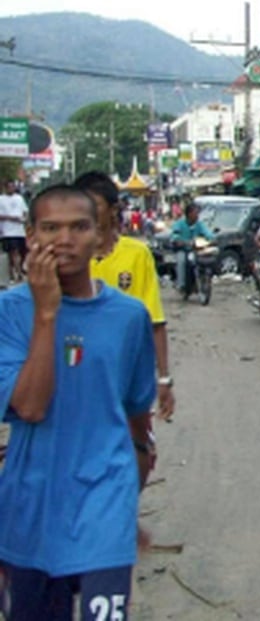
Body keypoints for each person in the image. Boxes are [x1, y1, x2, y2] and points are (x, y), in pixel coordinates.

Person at [0, 184, 157, 621]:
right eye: (50, 227)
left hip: (104, 506)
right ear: (29, 234)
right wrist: (47, 313)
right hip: (29, 509)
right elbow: (30, 407)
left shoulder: (129, 317)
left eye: (79, 227)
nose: (63, 239)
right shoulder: (9, 313)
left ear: (102, 238)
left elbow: (135, 416)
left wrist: (127, 506)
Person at [75, 171, 175, 421]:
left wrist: (163, 377)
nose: (87, 213)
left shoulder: (137, 254)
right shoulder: (68, 257)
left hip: (126, 374)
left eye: (94, 206)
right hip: (76, 376)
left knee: (134, 449)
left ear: (113, 209)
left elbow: (154, 320)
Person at [169, 202, 215, 291]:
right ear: (189, 214)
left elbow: (207, 233)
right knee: (181, 261)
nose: (197, 215)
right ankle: (181, 284)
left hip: (195, 249)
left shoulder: (199, 224)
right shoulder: (179, 223)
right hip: (182, 249)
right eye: (195, 213)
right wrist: (179, 241)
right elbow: (174, 235)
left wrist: (212, 239)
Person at [0, 179, 29, 285]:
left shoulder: (19, 198)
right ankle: (18, 273)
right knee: (13, 252)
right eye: (9, 187)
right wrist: (11, 218)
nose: (11, 189)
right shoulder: (1, 199)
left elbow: (25, 211)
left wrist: (24, 219)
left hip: (19, 230)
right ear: (5, 188)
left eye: (13, 187)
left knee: (23, 252)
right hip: (7, 231)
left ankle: (16, 270)